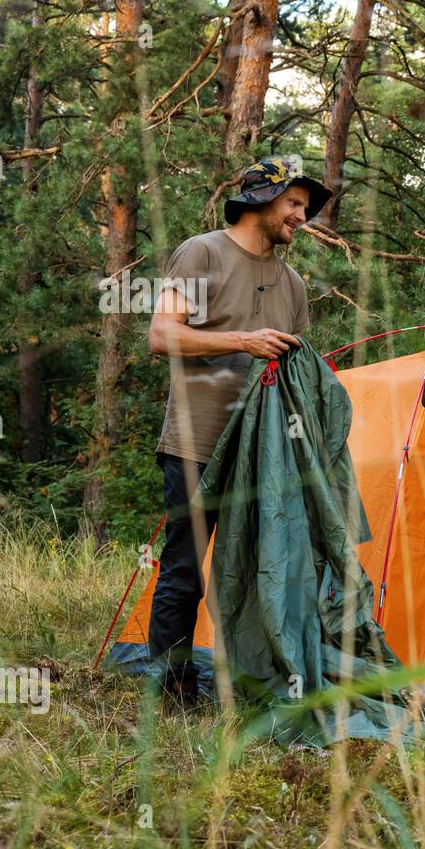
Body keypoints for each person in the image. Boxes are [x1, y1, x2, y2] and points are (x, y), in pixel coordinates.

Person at [145, 157, 333, 703]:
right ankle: (172, 690)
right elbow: (161, 336)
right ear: (261, 200)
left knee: (267, 568)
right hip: (197, 441)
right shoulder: (202, 253)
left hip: (267, 451)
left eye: (305, 207)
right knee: (186, 569)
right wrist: (243, 341)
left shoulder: (293, 283)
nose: (302, 216)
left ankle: (262, 684)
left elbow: (300, 366)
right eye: (294, 203)